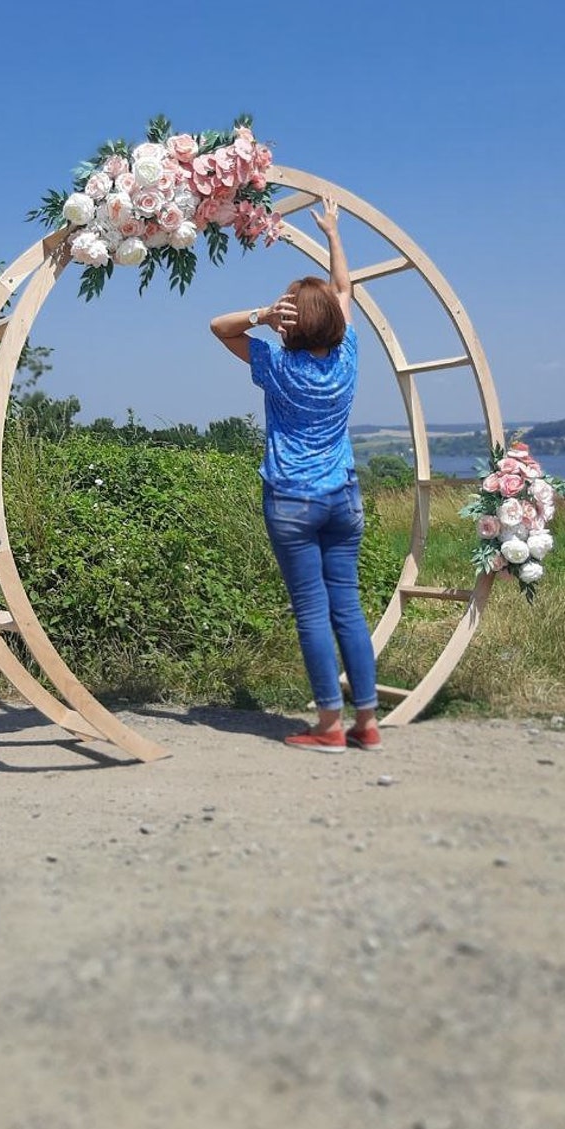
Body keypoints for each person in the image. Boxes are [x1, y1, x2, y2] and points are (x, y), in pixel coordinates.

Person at [209, 196, 380, 753]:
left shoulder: (276, 366)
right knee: (347, 606)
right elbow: (346, 291)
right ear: (330, 320)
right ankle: (367, 722)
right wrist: (333, 234)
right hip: (344, 497)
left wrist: (263, 314)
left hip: (291, 501)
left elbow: (218, 326)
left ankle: (329, 725)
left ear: (291, 322)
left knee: (311, 610)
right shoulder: (348, 353)